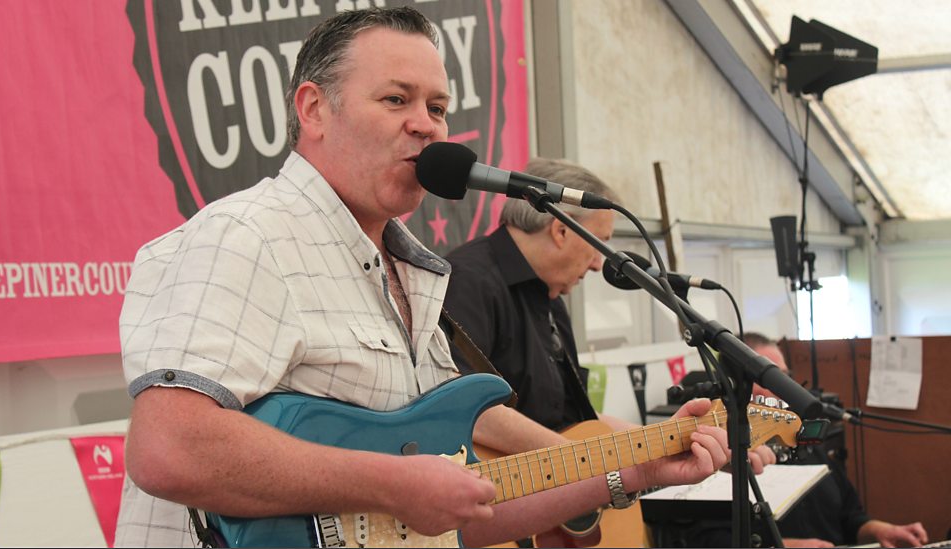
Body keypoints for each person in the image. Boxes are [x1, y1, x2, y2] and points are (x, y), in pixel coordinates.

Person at [114, 7, 735, 548]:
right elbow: (170, 448)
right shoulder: (247, 236)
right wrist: (393, 483)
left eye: (438, 107)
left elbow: (462, 512)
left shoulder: (407, 276)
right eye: (396, 99)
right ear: (313, 110)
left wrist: (636, 472)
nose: (428, 125)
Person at [443, 158, 774, 477]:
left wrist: (671, 443)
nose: (599, 264)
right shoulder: (469, 281)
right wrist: (591, 469)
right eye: (598, 243)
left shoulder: (550, 299)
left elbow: (574, 419)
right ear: (561, 231)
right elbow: (465, 407)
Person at [744, 332, 929, 548]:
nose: (778, 389)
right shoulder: (724, 459)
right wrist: (789, 545)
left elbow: (849, 517)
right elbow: (709, 540)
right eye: (766, 380)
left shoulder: (803, 444)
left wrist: (881, 530)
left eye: (783, 378)